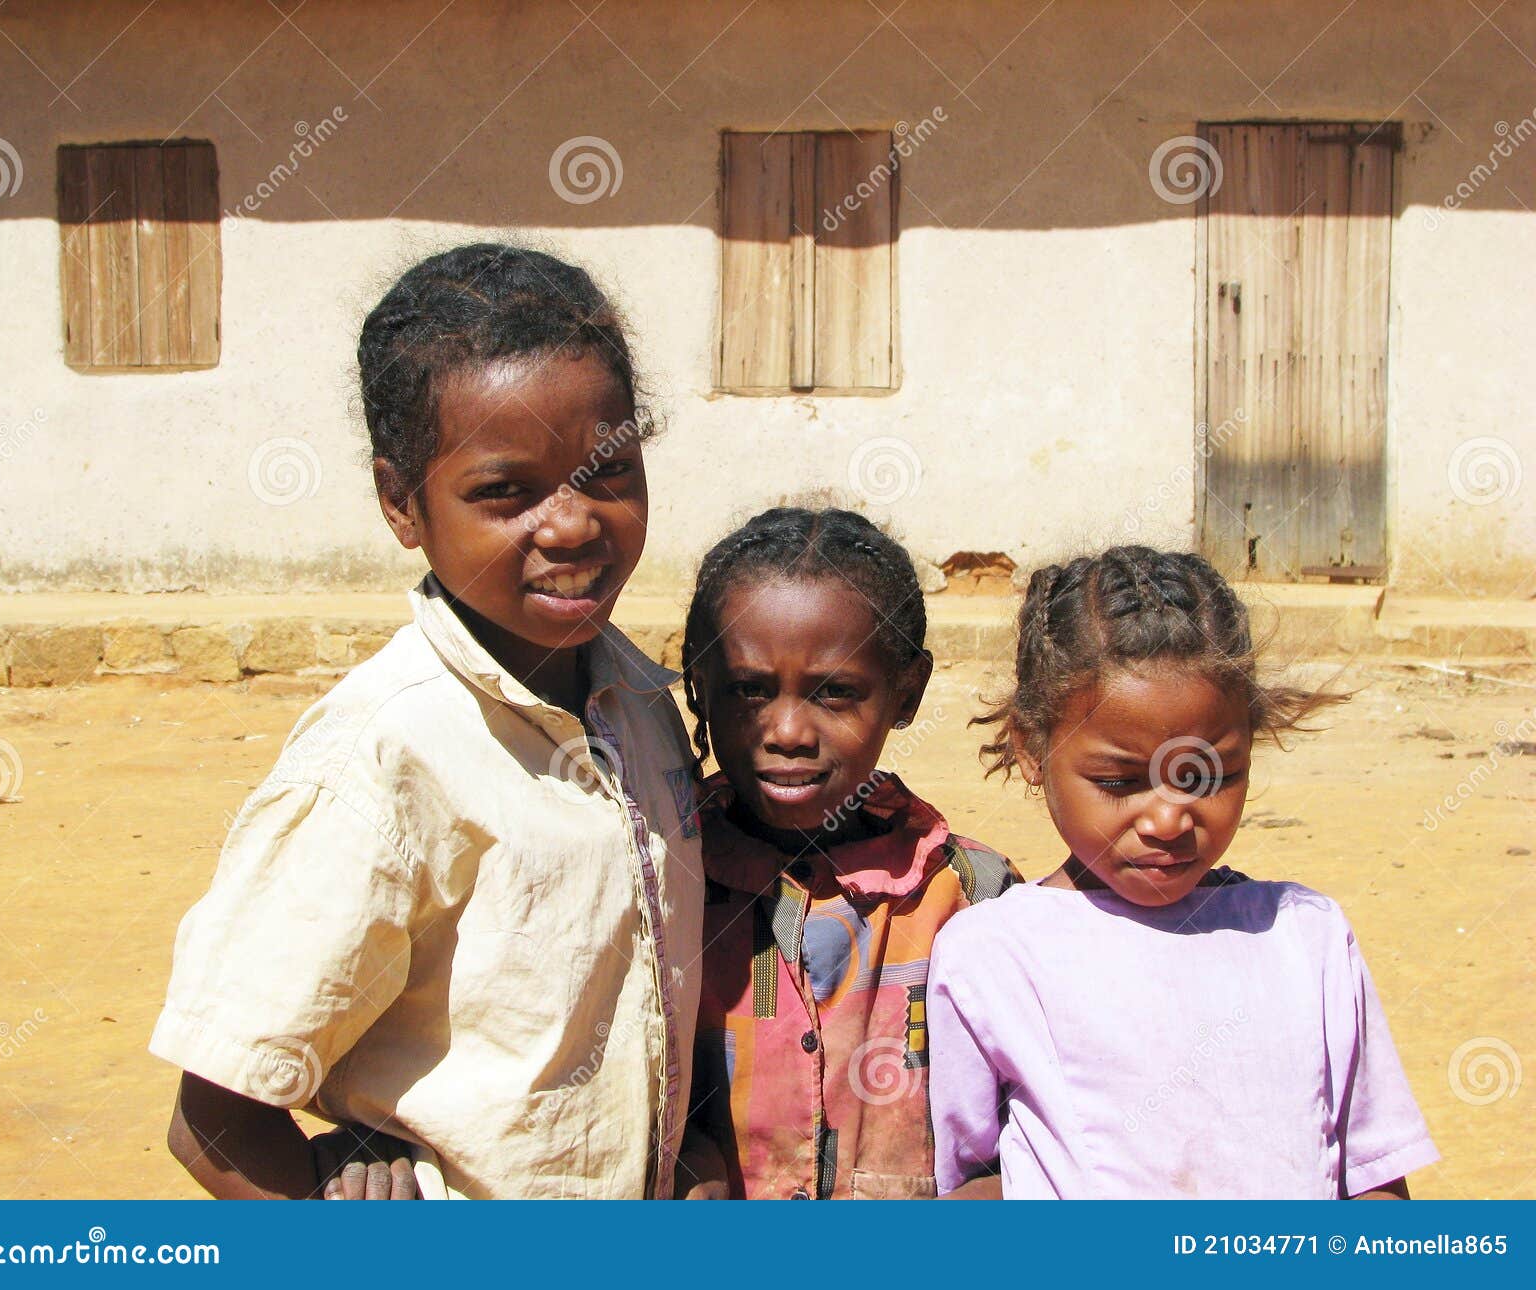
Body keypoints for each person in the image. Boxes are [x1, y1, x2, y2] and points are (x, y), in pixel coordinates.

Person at [151, 243, 703, 1199]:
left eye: (607, 470)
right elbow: (216, 1116)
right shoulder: (380, 759)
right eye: (504, 492)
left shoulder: (643, 707)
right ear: (401, 503)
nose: (571, 524)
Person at [928, 545, 1438, 1199]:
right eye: (1120, 780)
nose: (1169, 820)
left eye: (1205, 776)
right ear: (1032, 750)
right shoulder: (992, 954)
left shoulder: (1305, 937)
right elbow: (973, 1180)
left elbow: (1374, 1180)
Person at [673, 507, 1020, 1200]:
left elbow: (1040, 1120)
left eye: (836, 692)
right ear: (700, 686)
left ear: (907, 691)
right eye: (749, 690)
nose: (790, 731)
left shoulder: (977, 900)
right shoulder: (659, 884)